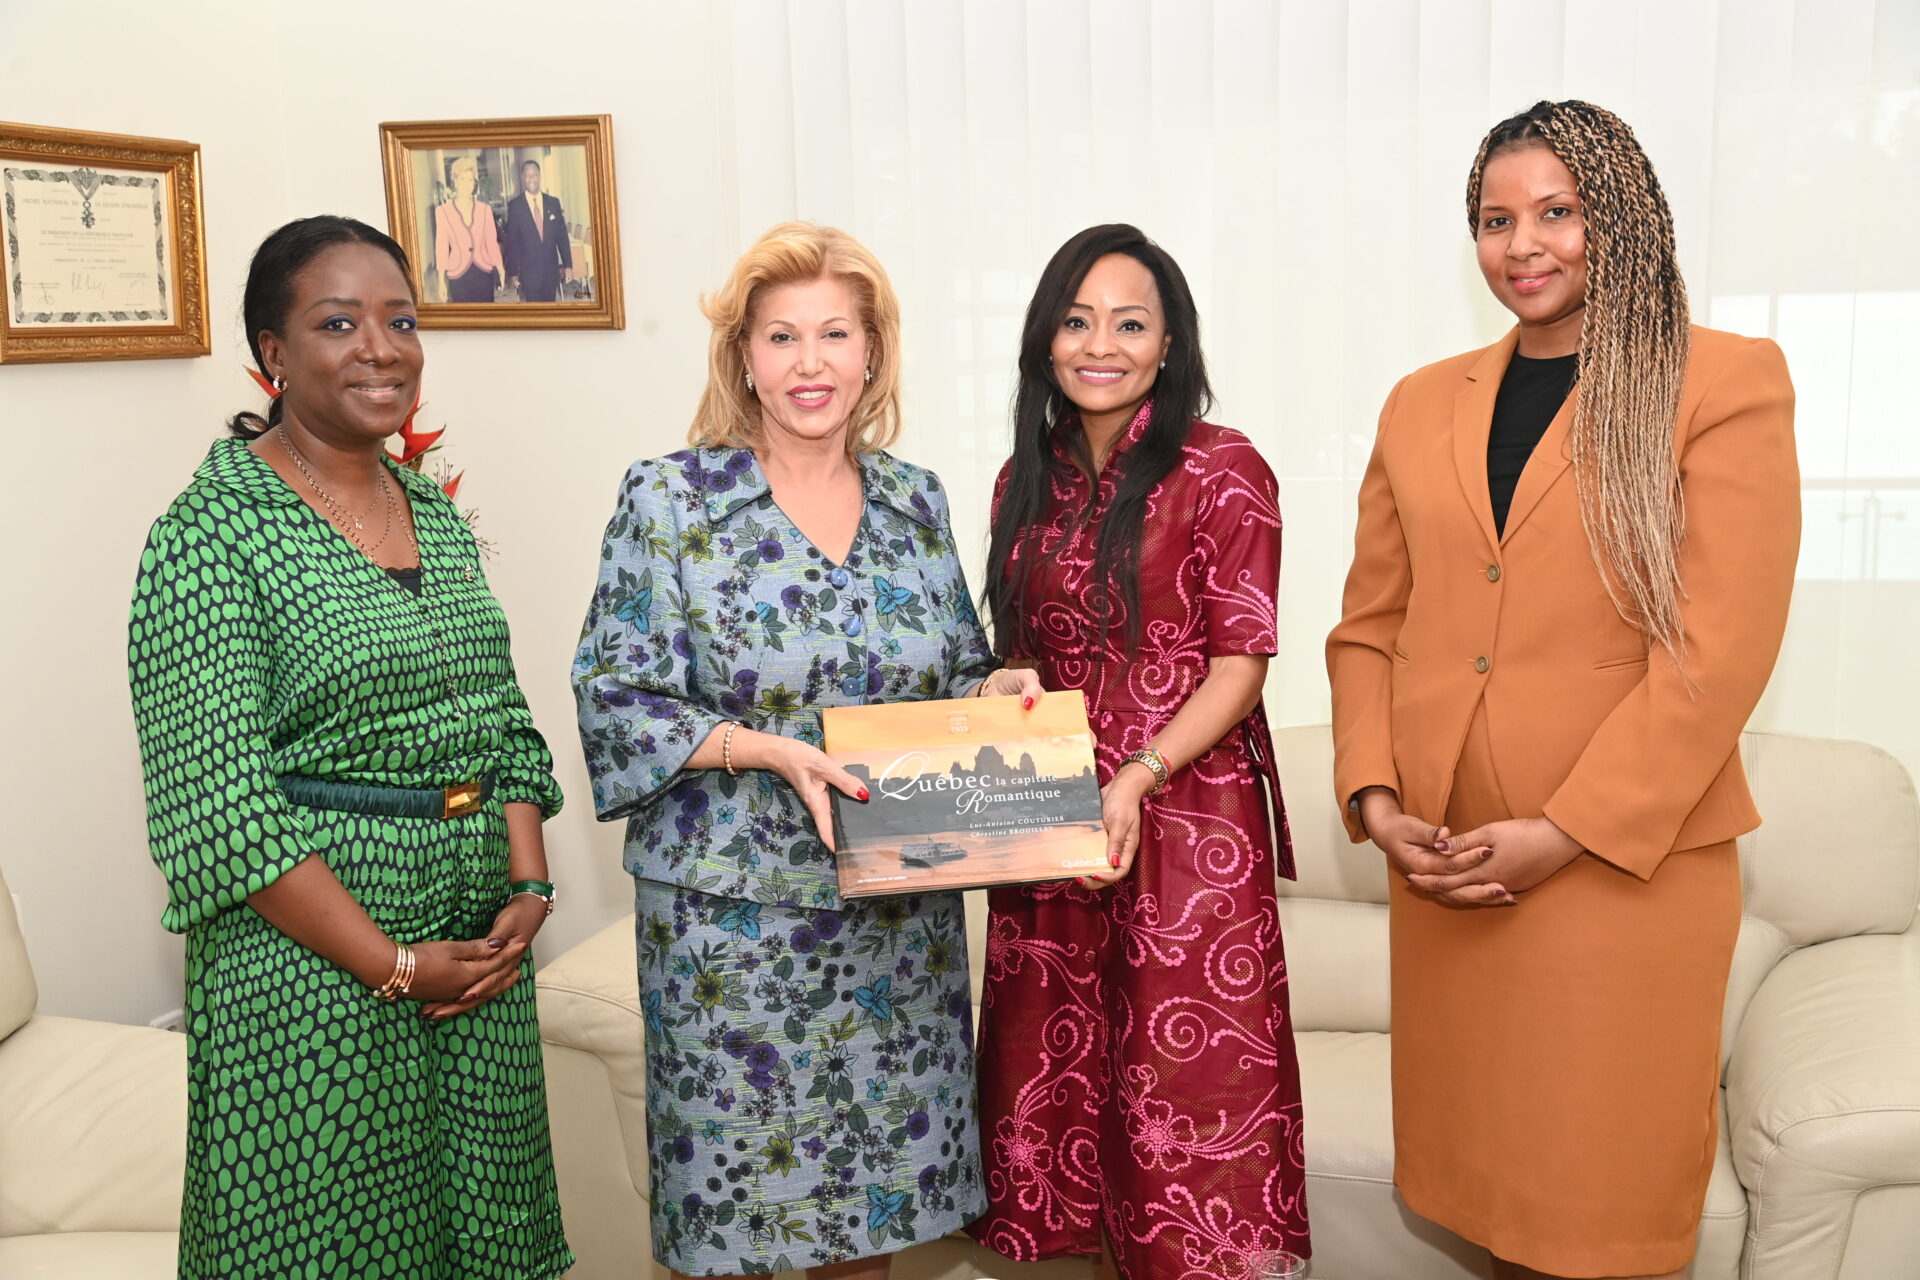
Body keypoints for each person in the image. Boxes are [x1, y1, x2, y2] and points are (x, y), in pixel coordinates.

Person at [1327, 100, 1799, 1280]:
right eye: (1496, 218)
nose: (1522, 242)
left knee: (1602, 1213)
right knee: (1489, 1207)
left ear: (1619, 219)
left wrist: (1565, 830)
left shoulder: (1723, 381)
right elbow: (1369, 627)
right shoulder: (1419, 400)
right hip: (1451, 872)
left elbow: (1717, 649)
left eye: (1556, 211)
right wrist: (1377, 800)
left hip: (1619, 872)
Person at [572, 221, 1043, 1280]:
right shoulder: (670, 498)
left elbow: (946, 673)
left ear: (872, 350)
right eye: (782, 336)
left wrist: (992, 688)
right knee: (750, 1226)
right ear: (743, 354)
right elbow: (614, 692)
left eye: (835, 333)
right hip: (732, 929)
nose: (810, 362)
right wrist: (762, 749)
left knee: (867, 1226)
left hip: (892, 918)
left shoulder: (915, 500)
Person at [127, 215, 572, 1280]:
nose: (382, 347)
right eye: (339, 322)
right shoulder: (211, 533)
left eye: (401, 320)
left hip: (475, 956)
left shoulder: (429, 506)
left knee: (483, 1238)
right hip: (317, 967)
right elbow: (221, 805)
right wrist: (392, 964)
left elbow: (499, 715)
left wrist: (530, 884)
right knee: (325, 1247)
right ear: (273, 355)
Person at [968, 224, 1310, 1280]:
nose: (1099, 343)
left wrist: (1139, 772)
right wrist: (1001, 681)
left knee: (1187, 1106)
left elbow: (1240, 661)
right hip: (1055, 829)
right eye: (1076, 321)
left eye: (1129, 321)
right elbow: (1023, 652)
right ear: (1045, 341)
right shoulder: (1020, 480)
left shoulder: (1224, 467)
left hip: (1185, 824)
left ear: (1170, 344)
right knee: (1064, 1099)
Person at [435, 154, 504, 303]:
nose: (466, 184)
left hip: (484, 271)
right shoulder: (443, 211)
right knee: (464, 321)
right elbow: (441, 247)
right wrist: (441, 281)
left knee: (486, 319)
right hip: (458, 275)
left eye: (470, 179)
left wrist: (500, 268)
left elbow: (491, 242)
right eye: (462, 179)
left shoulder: (485, 210)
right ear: (455, 182)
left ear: (474, 183)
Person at [504, 159, 572, 302]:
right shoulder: (515, 206)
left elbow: (562, 237)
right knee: (535, 316)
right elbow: (512, 243)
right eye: (527, 175)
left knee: (550, 314)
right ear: (523, 178)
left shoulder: (553, 203)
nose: (531, 179)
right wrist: (513, 272)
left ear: (540, 176)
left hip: (550, 272)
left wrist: (568, 265)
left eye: (534, 174)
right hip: (529, 274)